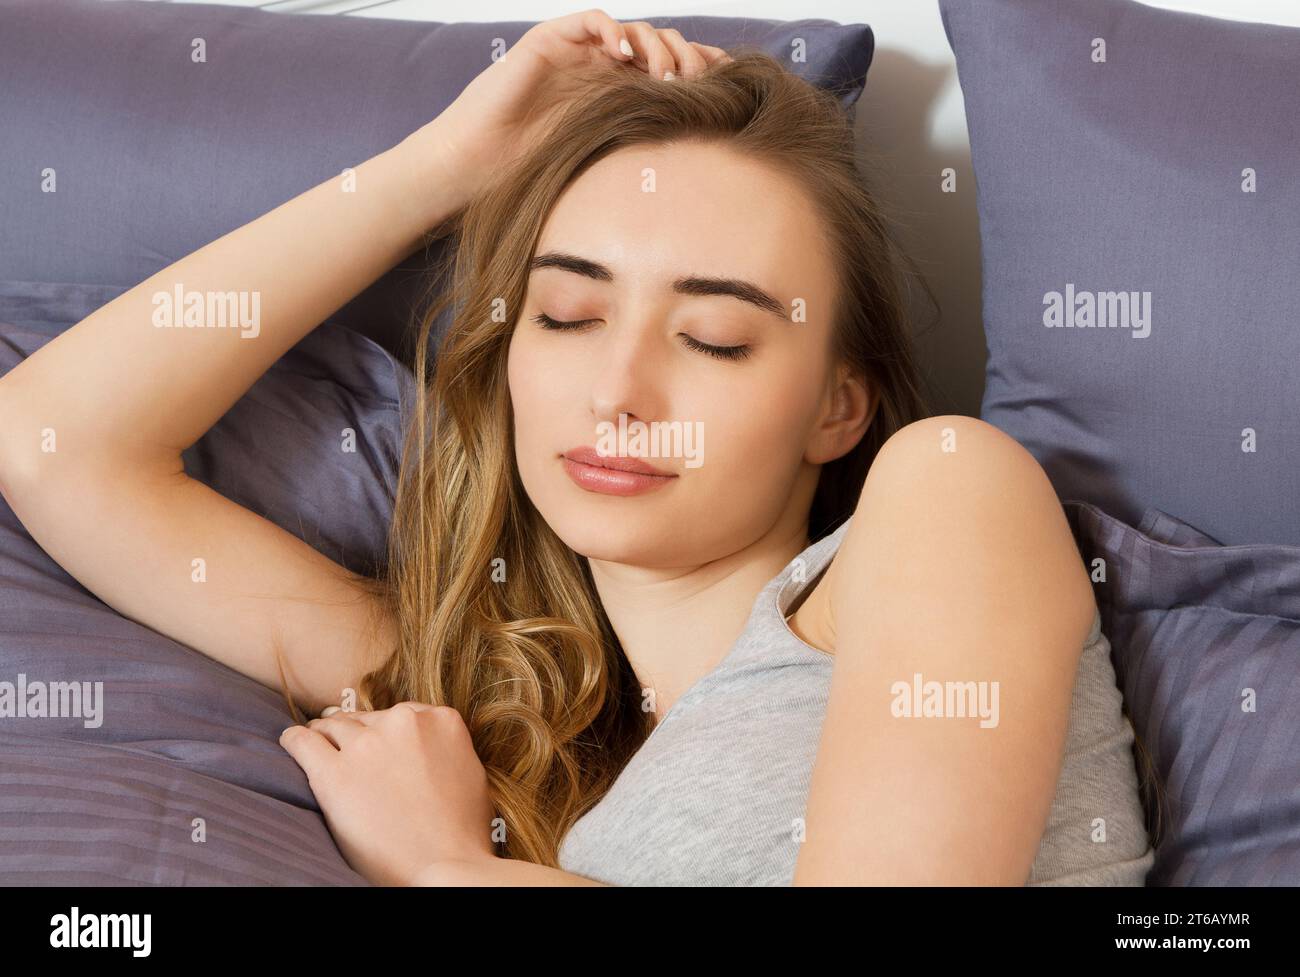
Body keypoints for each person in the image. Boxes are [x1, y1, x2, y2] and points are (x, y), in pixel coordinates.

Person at [0, 10, 1154, 886]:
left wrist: (451, 868)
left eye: (713, 337)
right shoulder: (471, 700)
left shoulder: (950, 491)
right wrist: (441, 170)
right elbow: (53, 443)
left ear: (835, 408)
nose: (617, 391)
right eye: (565, 315)